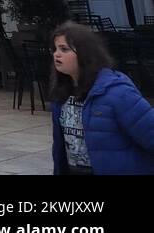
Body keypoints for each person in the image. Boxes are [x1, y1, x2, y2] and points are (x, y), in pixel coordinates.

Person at [49, 21, 154, 175]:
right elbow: (60, 147)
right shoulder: (61, 95)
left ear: (84, 53)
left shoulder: (117, 93)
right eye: (54, 49)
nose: (56, 54)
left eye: (64, 49)